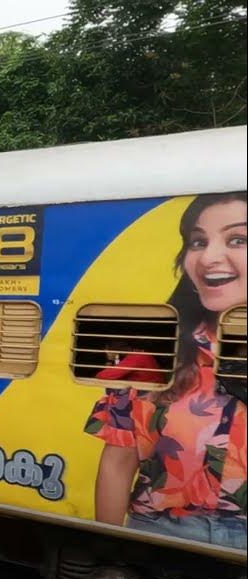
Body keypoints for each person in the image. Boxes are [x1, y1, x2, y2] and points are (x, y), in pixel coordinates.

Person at [86, 192, 246, 549]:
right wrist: (112, 552)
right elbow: (117, 463)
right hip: (162, 535)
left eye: (238, 239)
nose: (209, 257)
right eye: (198, 241)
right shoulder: (156, 353)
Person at [94, 338, 166, 385]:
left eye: (107, 348)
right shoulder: (139, 355)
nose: (105, 351)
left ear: (115, 349)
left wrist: (110, 361)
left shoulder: (137, 357)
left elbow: (102, 376)